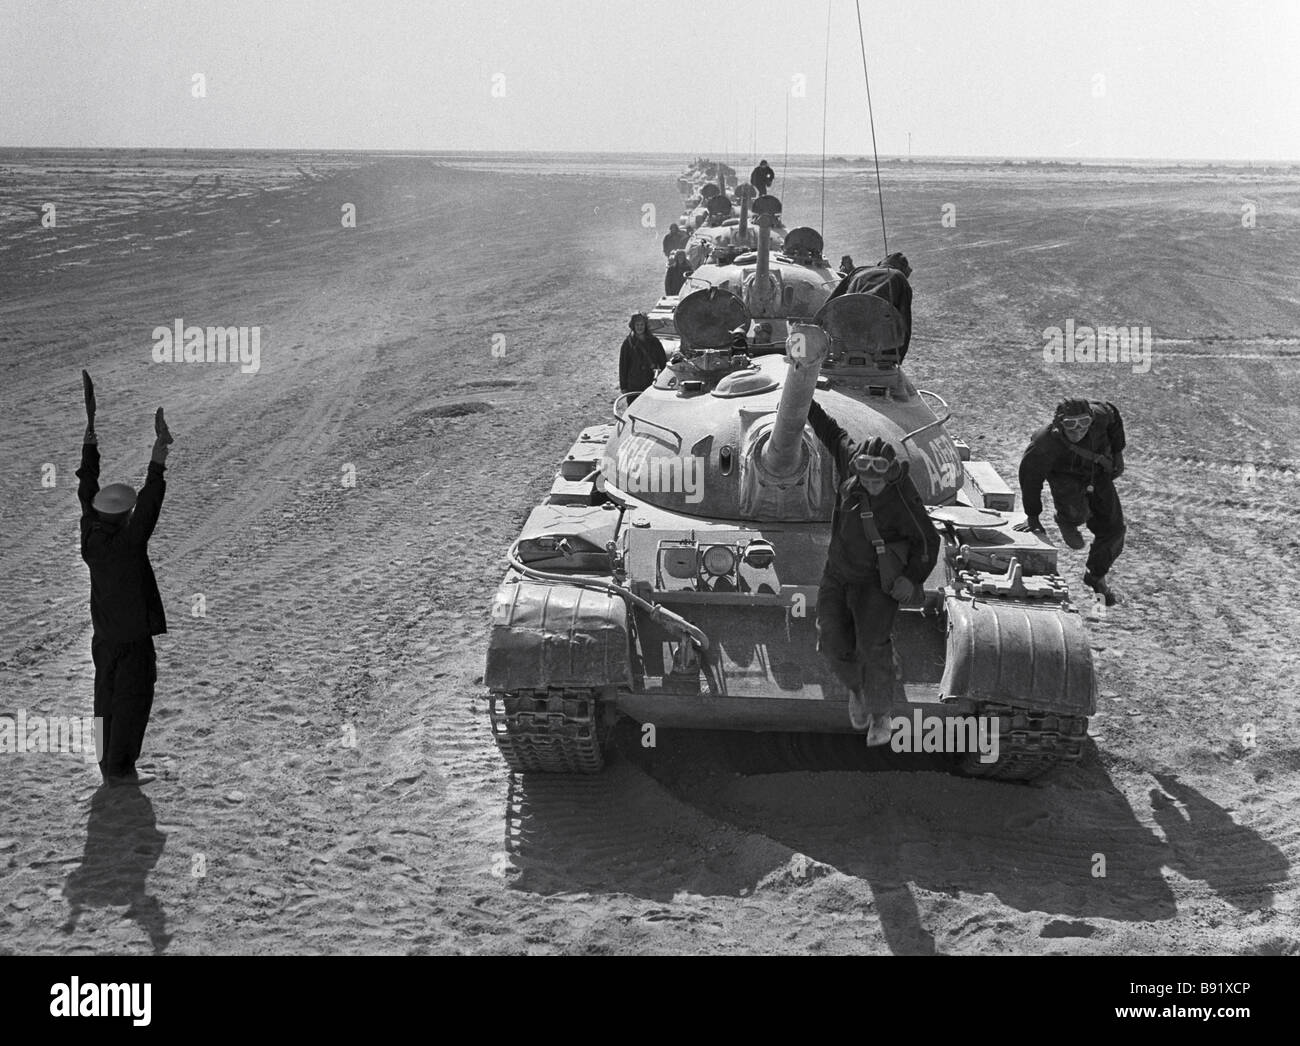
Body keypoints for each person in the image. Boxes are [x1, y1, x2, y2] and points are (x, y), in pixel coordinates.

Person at [807, 399, 940, 745]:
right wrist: (802, 393)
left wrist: (911, 579)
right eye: (864, 475)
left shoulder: (900, 497)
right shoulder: (852, 465)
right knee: (830, 639)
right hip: (837, 573)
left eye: (877, 477)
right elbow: (831, 432)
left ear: (890, 473)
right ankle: (857, 690)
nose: (870, 482)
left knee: (872, 646)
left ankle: (881, 715)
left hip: (875, 583)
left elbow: (927, 539)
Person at [76, 371, 173, 787]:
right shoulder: (129, 543)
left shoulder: (91, 535)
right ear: (125, 517)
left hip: (104, 637)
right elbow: (150, 503)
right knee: (133, 701)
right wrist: (158, 453)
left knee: (105, 700)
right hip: (132, 640)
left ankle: (105, 764)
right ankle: (122, 769)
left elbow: (86, 489)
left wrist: (90, 435)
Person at [1013, 397, 1126, 604]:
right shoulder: (1043, 444)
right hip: (1065, 477)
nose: (1078, 429)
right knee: (1076, 513)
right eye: (1070, 424)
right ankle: (1067, 520)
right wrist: (1033, 516)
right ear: (1059, 424)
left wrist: (1118, 454)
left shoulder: (1101, 416)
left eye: (1083, 423)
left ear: (1091, 419)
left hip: (1097, 472)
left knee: (1114, 529)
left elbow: (1113, 414)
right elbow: (1030, 479)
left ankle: (1096, 575)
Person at [828, 251, 913, 364]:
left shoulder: (859, 271)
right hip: (878, 340)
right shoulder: (899, 278)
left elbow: (831, 303)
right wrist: (897, 358)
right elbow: (903, 322)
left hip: (845, 333)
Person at [618, 313, 667, 401]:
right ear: (633, 326)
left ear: (645, 326)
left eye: (642, 324)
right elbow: (623, 366)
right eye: (637, 325)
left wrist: (664, 381)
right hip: (634, 383)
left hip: (651, 382)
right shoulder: (628, 343)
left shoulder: (654, 342)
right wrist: (623, 386)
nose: (639, 327)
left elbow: (663, 362)